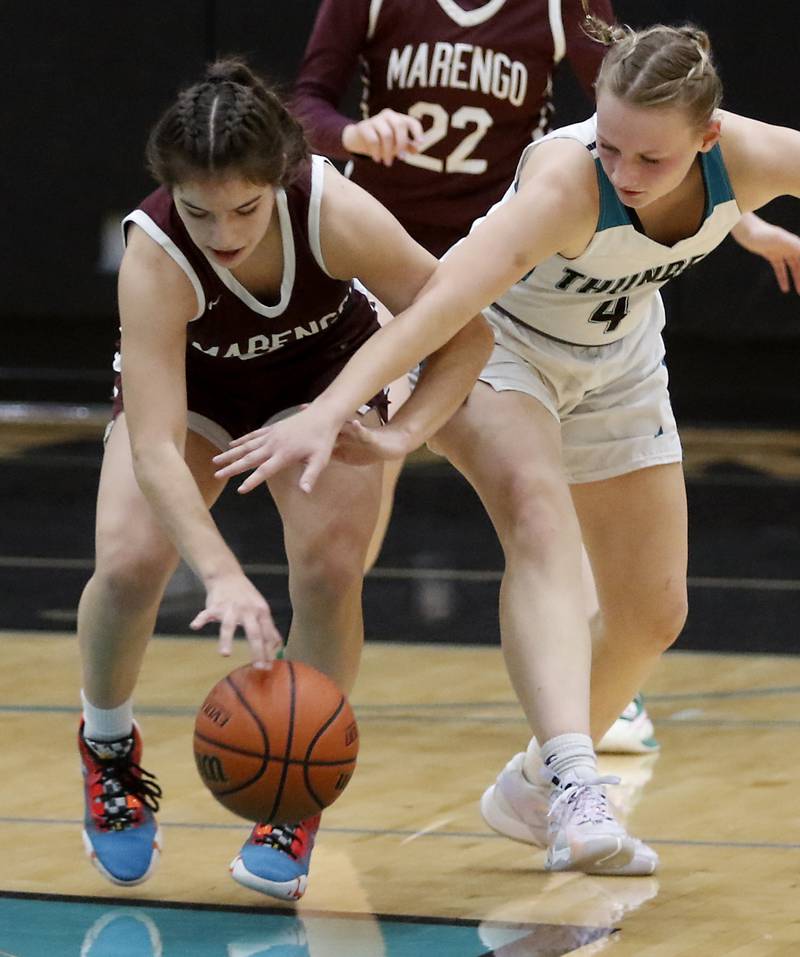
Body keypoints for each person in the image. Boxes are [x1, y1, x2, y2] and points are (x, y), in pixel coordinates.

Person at [214, 10, 800, 875]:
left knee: (654, 611)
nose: (624, 173)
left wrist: (750, 222)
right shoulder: (565, 187)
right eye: (608, 145)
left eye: (651, 158)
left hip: (621, 357)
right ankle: (574, 785)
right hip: (496, 349)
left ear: (709, 138)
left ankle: (531, 785)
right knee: (537, 513)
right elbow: (443, 307)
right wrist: (333, 405)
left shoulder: (754, 158)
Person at [76, 58, 492, 901]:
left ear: (280, 179)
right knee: (127, 561)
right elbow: (156, 446)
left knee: (333, 570)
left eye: (243, 208)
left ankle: (295, 796)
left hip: (320, 378)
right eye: (199, 210)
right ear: (171, 194)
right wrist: (222, 571)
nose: (222, 230)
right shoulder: (153, 253)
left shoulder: (330, 208)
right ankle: (107, 746)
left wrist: (401, 432)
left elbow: (463, 327)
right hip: (196, 393)